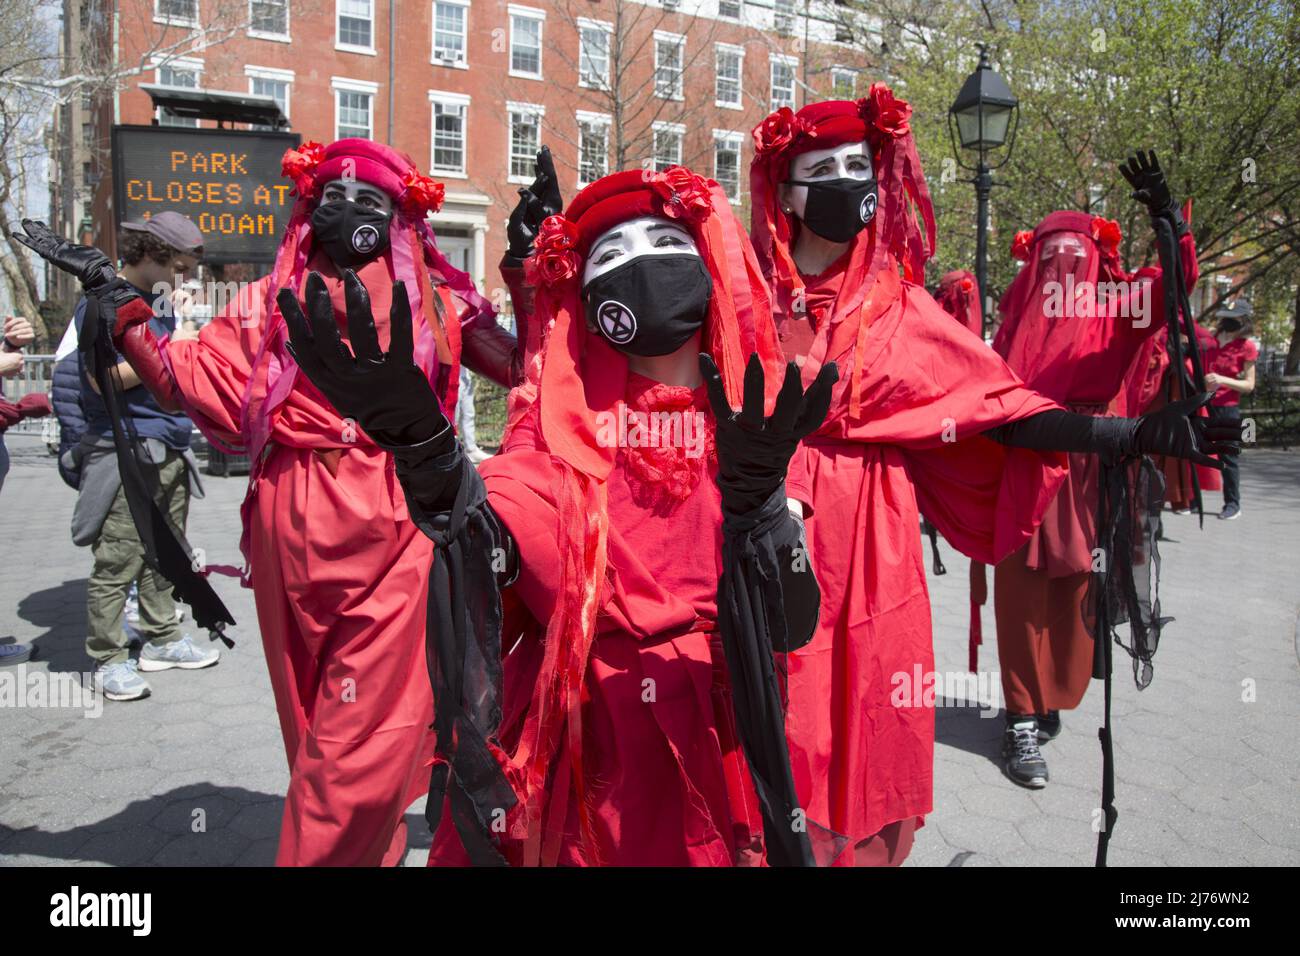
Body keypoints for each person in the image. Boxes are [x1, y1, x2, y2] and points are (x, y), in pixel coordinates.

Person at [283, 166, 838, 866]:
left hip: (720, 739)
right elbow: (494, 539)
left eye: (662, 240)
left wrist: (760, 509)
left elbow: (790, 621)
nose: (638, 261)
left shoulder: (758, 423)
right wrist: (430, 457)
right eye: (609, 256)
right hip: (585, 748)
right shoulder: (557, 437)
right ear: (584, 294)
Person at [748, 94, 1235, 860]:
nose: (846, 182)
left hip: (874, 551)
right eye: (822, 170)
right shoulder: (742, 301)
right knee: (767, 732)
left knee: (866, 727)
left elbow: (999, 408)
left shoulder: (897, 309)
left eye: (857, 166)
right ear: (783, 192)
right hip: (760, 538)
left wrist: (1129, 433)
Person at [15, 139, 526, 866]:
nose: (347, 209)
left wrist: (532, 273)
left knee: (353, 747)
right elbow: (188, 379)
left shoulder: (438, 301)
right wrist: (121, 308)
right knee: (317, 724)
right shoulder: (268, 298)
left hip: (397, 522)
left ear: (400, 215)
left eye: (368, 198)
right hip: (291, 528)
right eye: (331, 195)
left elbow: (522, 361)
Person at [989, 151, 1239, 788]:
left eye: (1076, 253)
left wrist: (1167, 219)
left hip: (1092, 467)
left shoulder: (1115, 307)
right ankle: (1020, 717)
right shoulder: (1015, 316)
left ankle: (1049, 695)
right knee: (1019, 593)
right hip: (1021, 464)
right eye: (1052, 255)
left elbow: (1173, 290)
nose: (1063, 267)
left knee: (1076, 588)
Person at [49, 214, 216, 702]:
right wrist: (174, 345)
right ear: (153, 254)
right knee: (118, 557)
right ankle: (108, 658)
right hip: (125, 446)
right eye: (181, 268)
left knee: (167, 552)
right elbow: (102, 380)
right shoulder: (104, 302)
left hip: (168, 445)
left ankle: (162, 637)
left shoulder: (159, 303)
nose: (185, 278)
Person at [1204, 306, 1257, 519]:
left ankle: (1233, 504)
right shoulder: (1210, 340)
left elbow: (1249, 385)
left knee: (1228, 457)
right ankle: (1187, 499)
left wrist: (1222, 380)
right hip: (1204, 404)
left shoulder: (1246, 347)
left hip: (1227, 408)